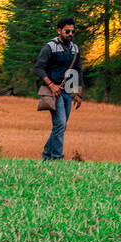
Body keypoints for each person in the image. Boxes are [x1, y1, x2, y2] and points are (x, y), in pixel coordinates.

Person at [34, 17, 84, 161]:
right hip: (53, 92)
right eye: (67, 31)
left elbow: (78, 71)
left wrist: (78, 94)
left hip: (68, 91)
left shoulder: (75, 48)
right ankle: (56, 158)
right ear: (59, 31)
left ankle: (46, 155)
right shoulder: (50, 47)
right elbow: (38, 68)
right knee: (60, 124)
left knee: (60, 126)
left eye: (73, 31)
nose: (70, 34)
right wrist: (51, 85)